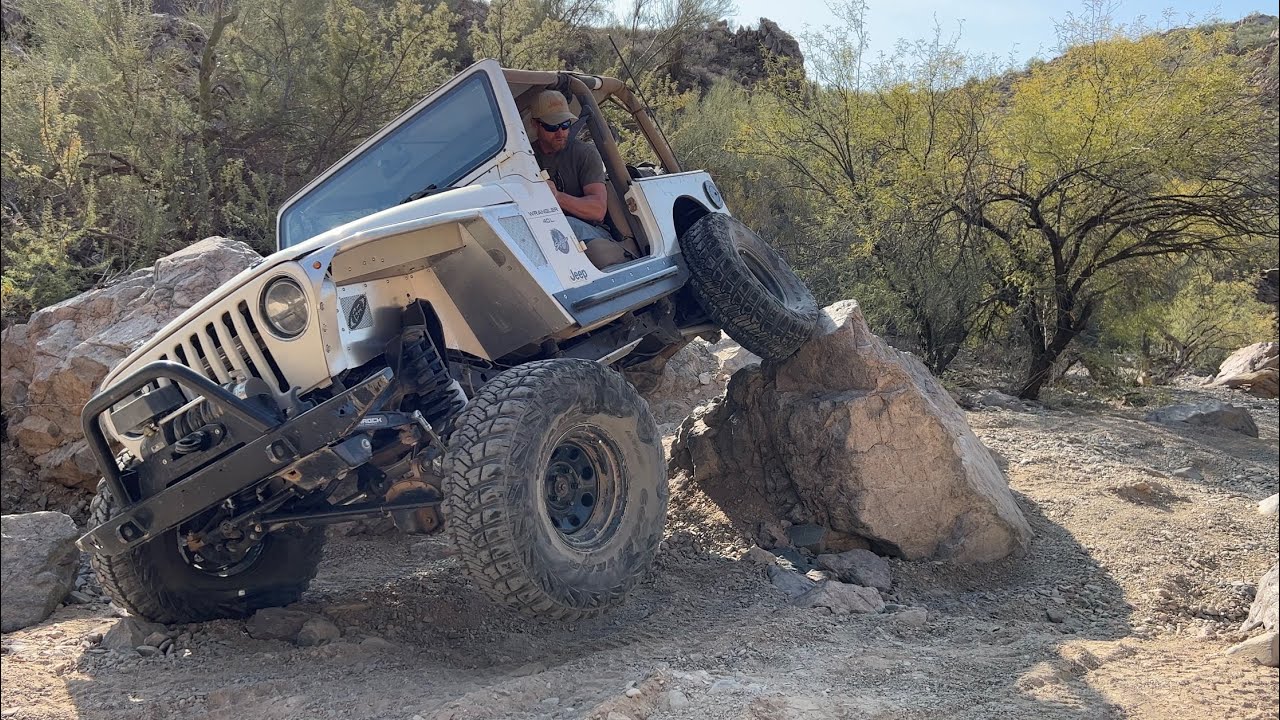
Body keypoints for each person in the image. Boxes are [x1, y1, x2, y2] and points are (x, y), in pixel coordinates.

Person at [528, 90, 627, 268]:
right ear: (535, 124)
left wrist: (557, 197)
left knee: (562, 225)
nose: (560, 132)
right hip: (544, 233)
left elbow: (597, 210)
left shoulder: (584, 154)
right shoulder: (526, 158)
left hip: (591, 232)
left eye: (565, 124)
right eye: (552, 126)